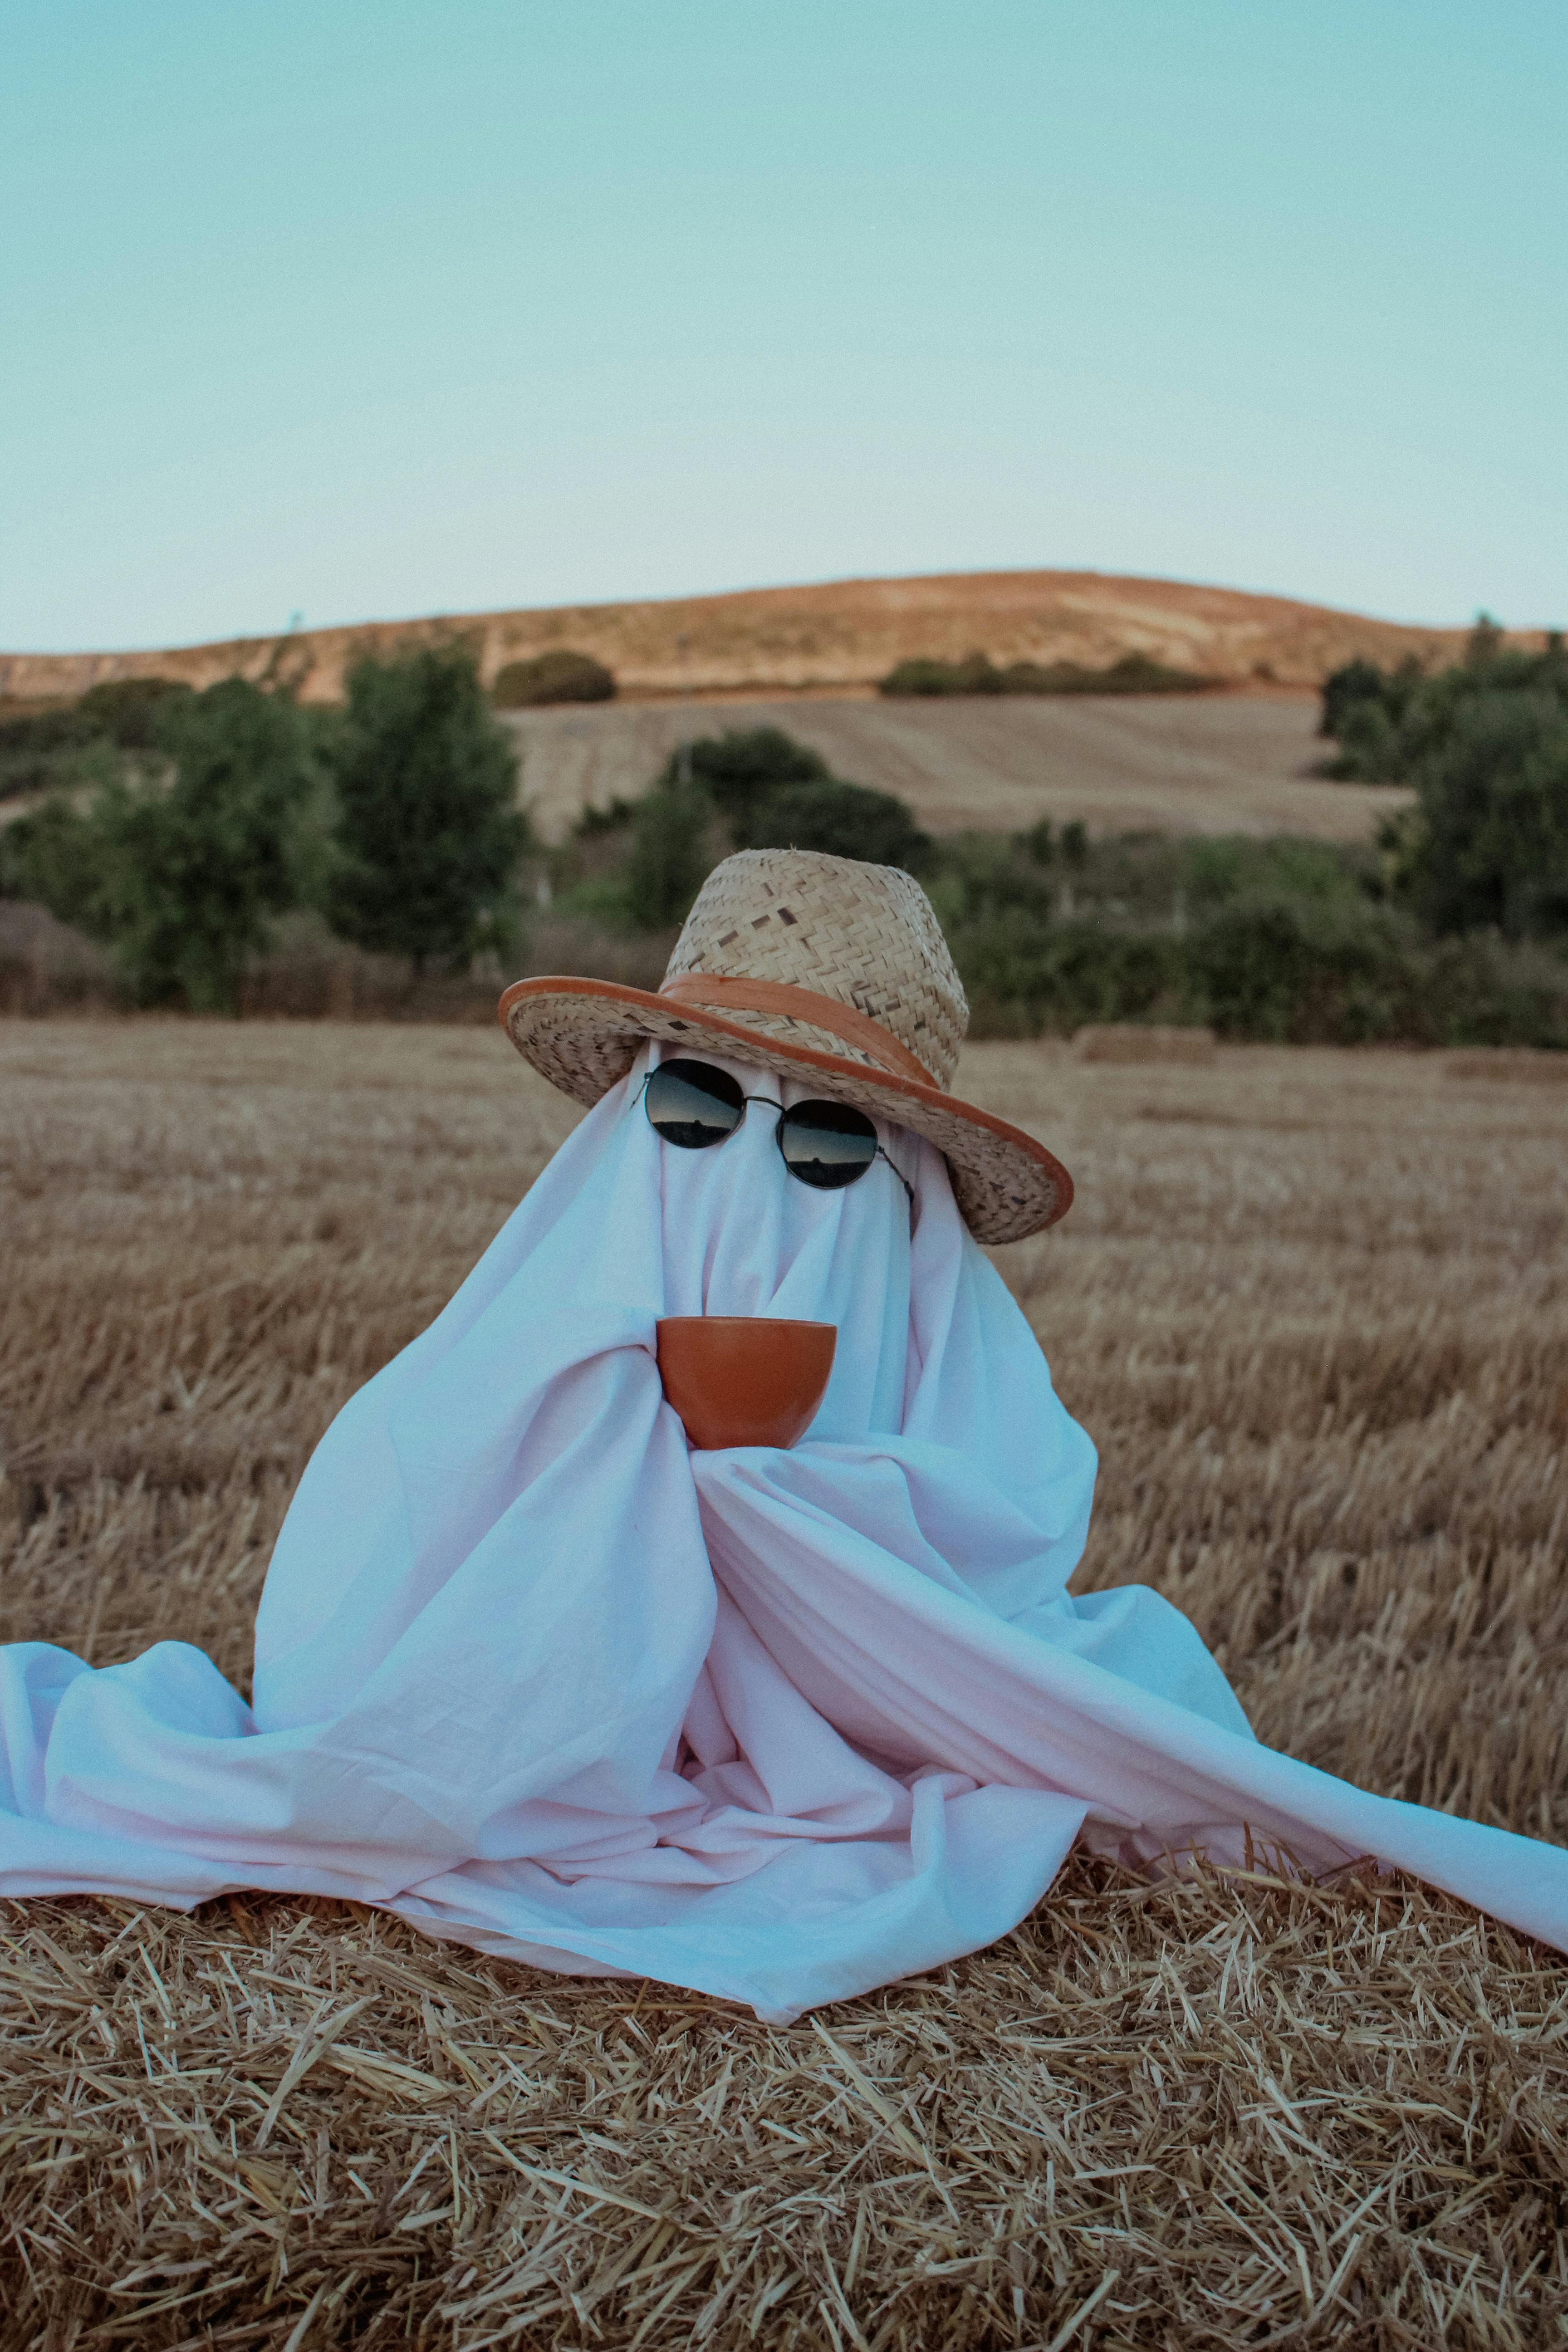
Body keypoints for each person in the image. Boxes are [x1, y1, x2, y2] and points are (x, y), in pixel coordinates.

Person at [0, 848, 1562, 2023]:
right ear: (625, 1131)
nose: (744, 1172)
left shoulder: (981, 1460)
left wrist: (793, 1519)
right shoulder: (451, 1420)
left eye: (824, 1140)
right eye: (689, 1109)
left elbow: (997, 1632)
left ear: (911, 1214)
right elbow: (369, 1697)